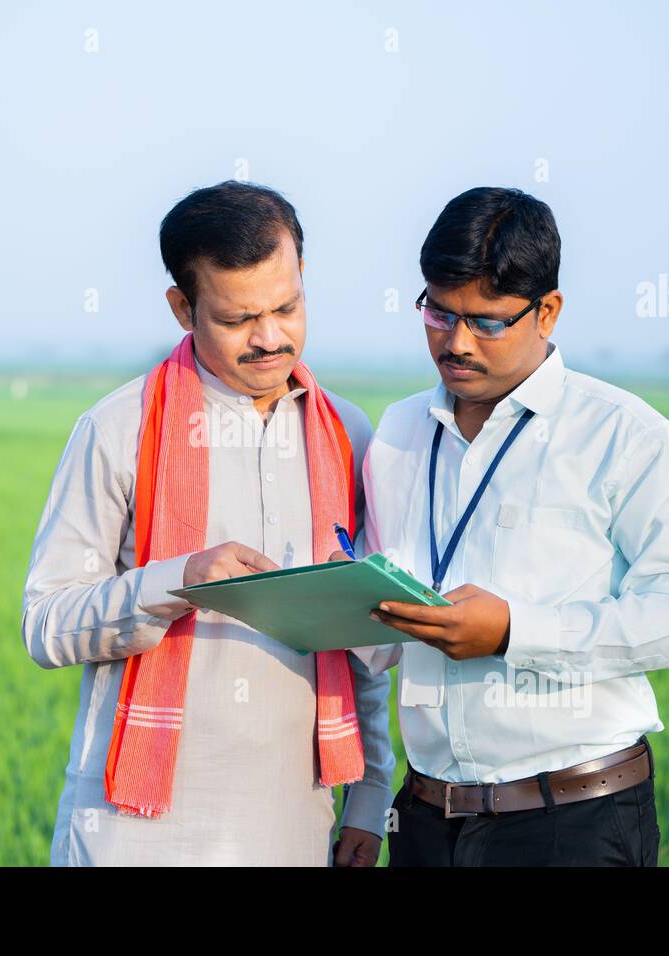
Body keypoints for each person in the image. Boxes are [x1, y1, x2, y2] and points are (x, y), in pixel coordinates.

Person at [22, 181, 394, 866]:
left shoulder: (347, 432)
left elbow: (361, 636)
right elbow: (46, 625)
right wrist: (177, 580)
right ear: (182, 308)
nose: (270, 338)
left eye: (287, 307)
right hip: (133, 830)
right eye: (237, 318)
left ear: (303, 278)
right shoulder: (118, 428)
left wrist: (371, 798)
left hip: (294, 824)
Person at [351, 186, 669, 866]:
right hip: (426, 816)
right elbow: (372, 643)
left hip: (571, 820)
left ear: (547, 311)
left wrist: (515, 633)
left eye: (487, 322)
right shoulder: (399, 433)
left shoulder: (624, 438)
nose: (456, 342)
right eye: (438, 311)